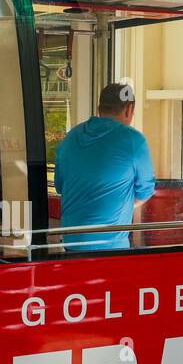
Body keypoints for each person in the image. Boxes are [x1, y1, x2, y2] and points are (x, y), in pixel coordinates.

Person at [53, 82, 156, 251]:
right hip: (110, 247)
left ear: (99, 108)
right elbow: (145, 190)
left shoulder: (70, 138)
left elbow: (60, 185)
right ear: (129, 109)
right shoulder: (133, 140)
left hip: (71, 244)